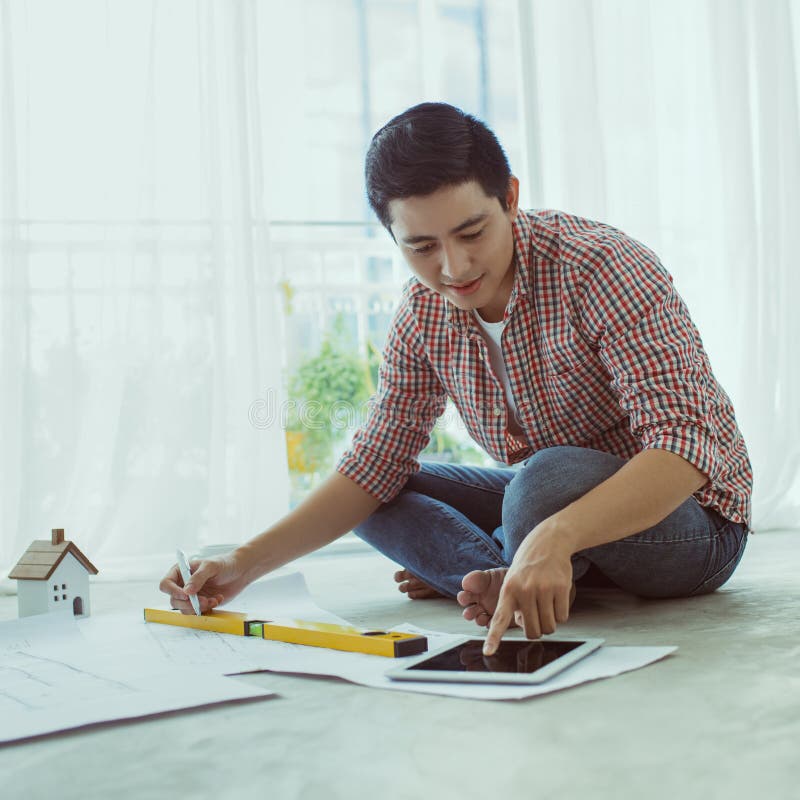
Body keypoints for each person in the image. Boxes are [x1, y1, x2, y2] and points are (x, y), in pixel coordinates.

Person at [160, 102, 752, 656]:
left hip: (692, 523)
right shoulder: (423, 312)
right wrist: (242, 563)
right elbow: (373, 464)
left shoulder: (600, 268)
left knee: (540, 485)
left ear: (511, 198)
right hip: (543, 509)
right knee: (378, 491)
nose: (453, 267)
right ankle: (499, 577)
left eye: (472, 233)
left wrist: (554, 535)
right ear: (393, 239)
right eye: (421, 246)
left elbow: (683, 448)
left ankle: (525, 561)